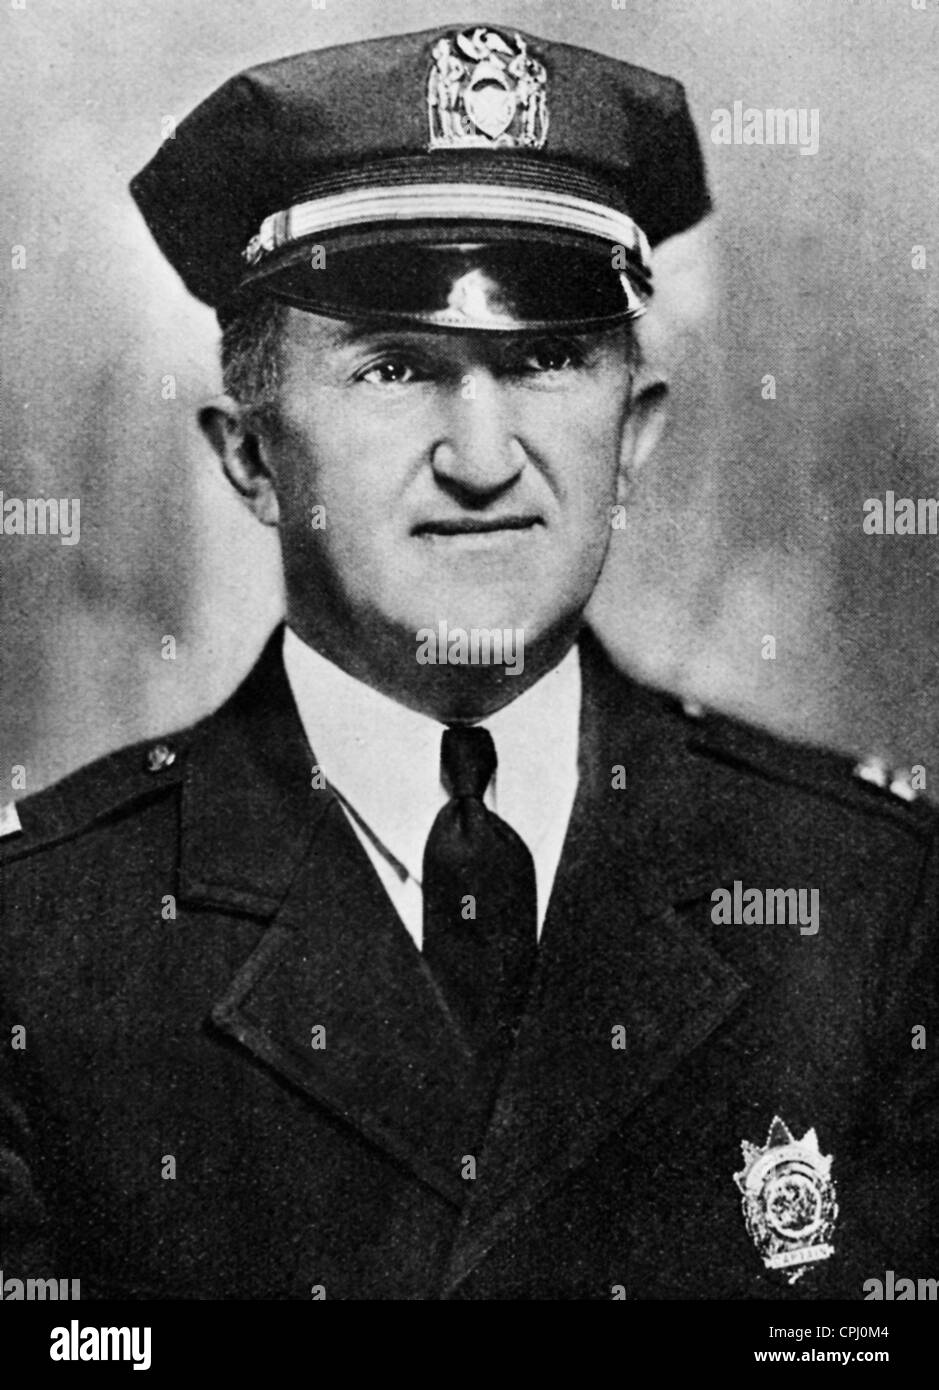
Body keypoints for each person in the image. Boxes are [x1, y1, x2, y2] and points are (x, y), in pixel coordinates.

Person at [1, 22, 935, 1302]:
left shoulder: (868, 901)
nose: (484, 460)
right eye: (394, 367)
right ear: (253, 458)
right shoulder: (40, 940)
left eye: (547, 359)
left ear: (634, 434)